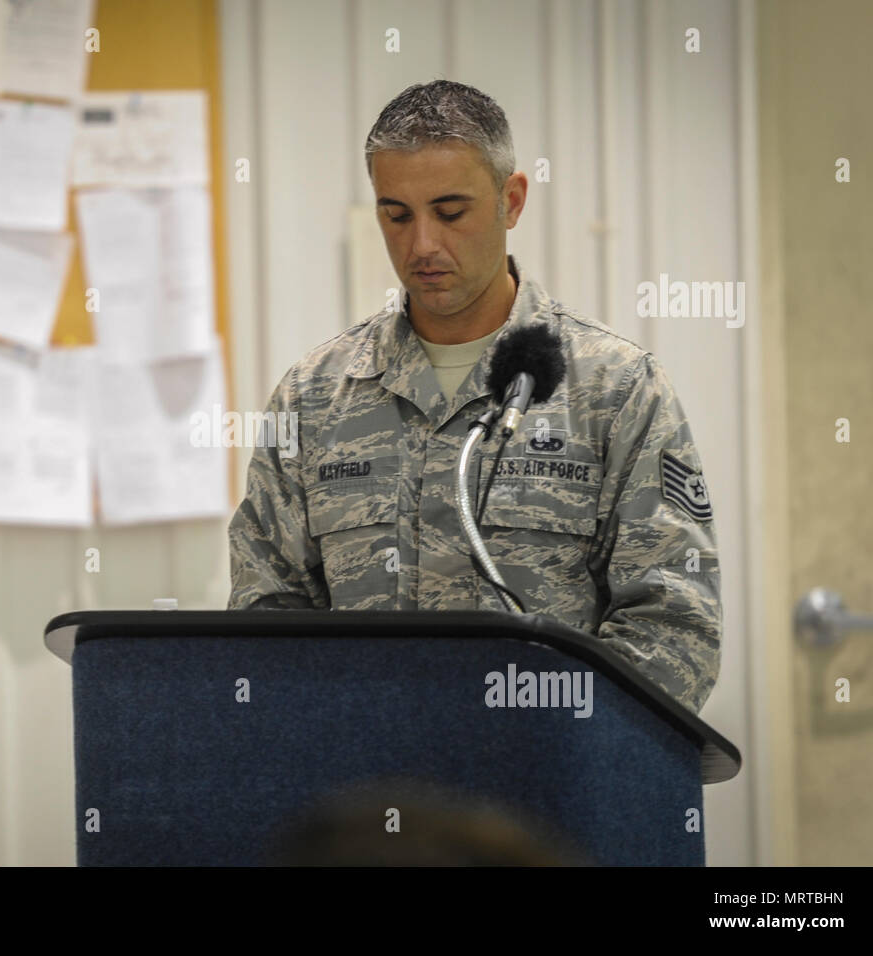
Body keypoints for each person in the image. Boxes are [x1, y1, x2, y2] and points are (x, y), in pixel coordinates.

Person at [227, 80, 721, 714]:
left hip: (547, 788)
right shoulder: (314, 398)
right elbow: (266, 612)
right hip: (366, 786)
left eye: (451, 211)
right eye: (396, 215)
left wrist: (532, 740)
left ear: (511, 202)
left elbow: (675, 629)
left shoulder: (615, 389)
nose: (422, 245)